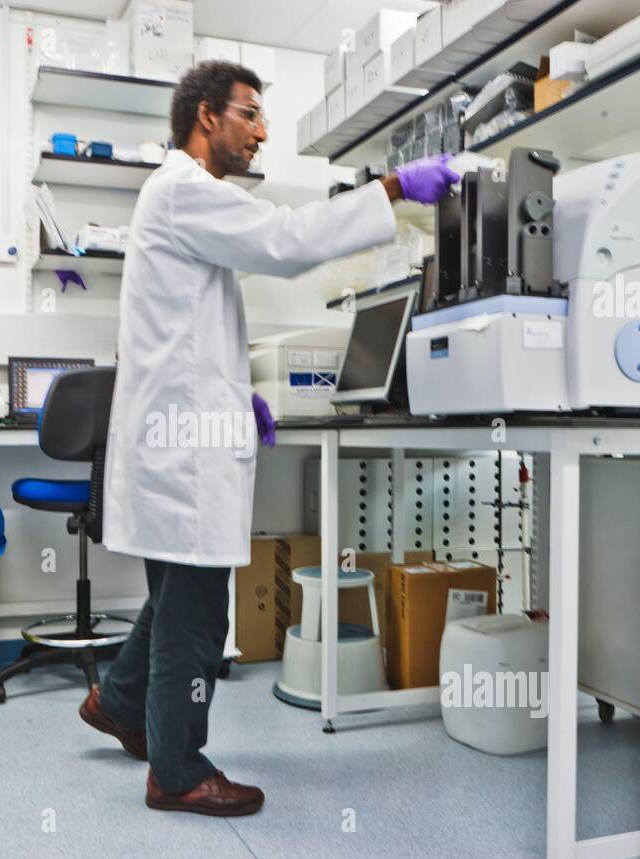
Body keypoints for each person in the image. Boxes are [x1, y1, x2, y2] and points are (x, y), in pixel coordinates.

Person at [78, 60, 460, 816]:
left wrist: (234, 392)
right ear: (205, 117)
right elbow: (285, 241)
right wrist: (387, 189)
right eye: (249, 114)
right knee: (196, 608)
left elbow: (189, 328)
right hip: (181, 446)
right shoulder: (185, 189)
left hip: (186, 425)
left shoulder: (183, 198)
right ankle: (178, 772)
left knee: (175, 590)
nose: (260, 131)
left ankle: (119, 704)